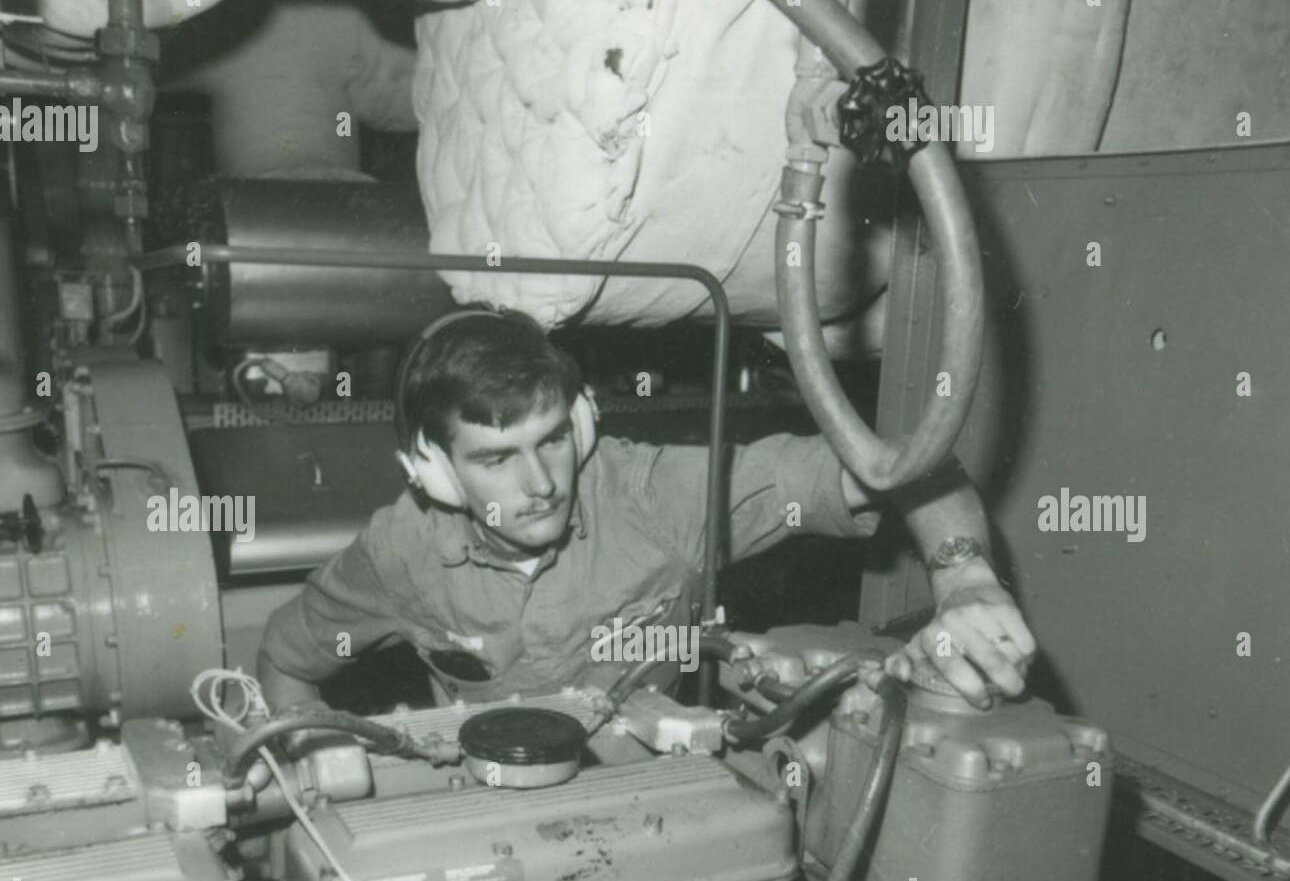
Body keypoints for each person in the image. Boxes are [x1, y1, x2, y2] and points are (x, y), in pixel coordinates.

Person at [257, 307, 1034, 712]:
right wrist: (315, 783)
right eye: (496, 458)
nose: (541, 483)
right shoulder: (401, 553)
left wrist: (967, 582)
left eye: (553, 438)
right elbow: (288, 661)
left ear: (585, 422)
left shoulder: (658, 497)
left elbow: (902, 465)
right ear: (436, 473)